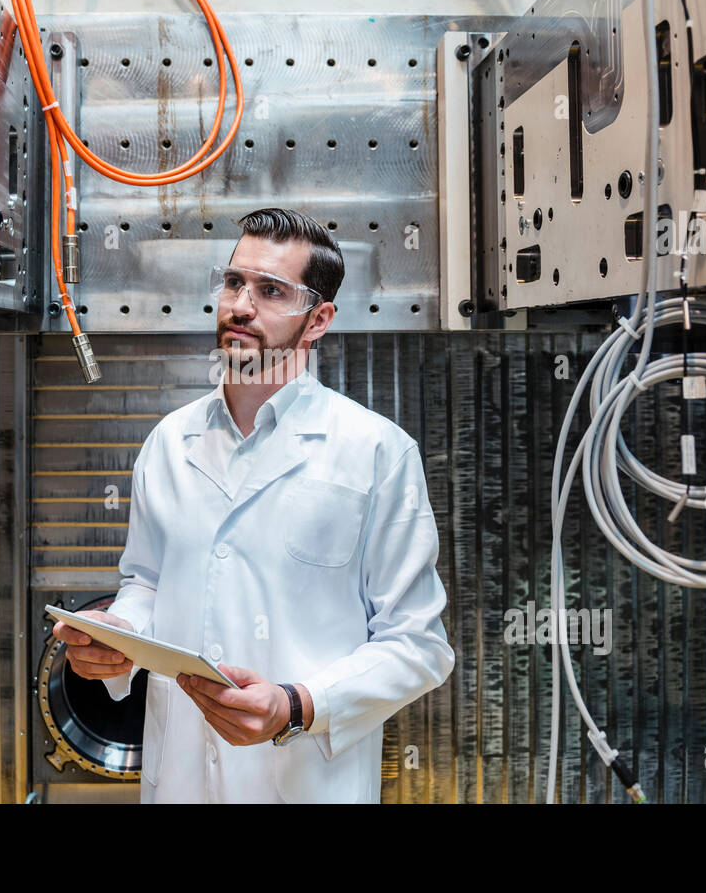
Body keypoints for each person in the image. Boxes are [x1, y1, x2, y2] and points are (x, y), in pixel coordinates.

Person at [52, 207, 455, 803]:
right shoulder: (169, 441)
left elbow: (418, 645)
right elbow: (147, 585)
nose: (241, 304)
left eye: (271, 291)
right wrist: (119, 637)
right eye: (235, 282)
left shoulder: (376, 452)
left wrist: (295, 706)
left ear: (318, 320)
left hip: (307, 784)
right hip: (180, 781)